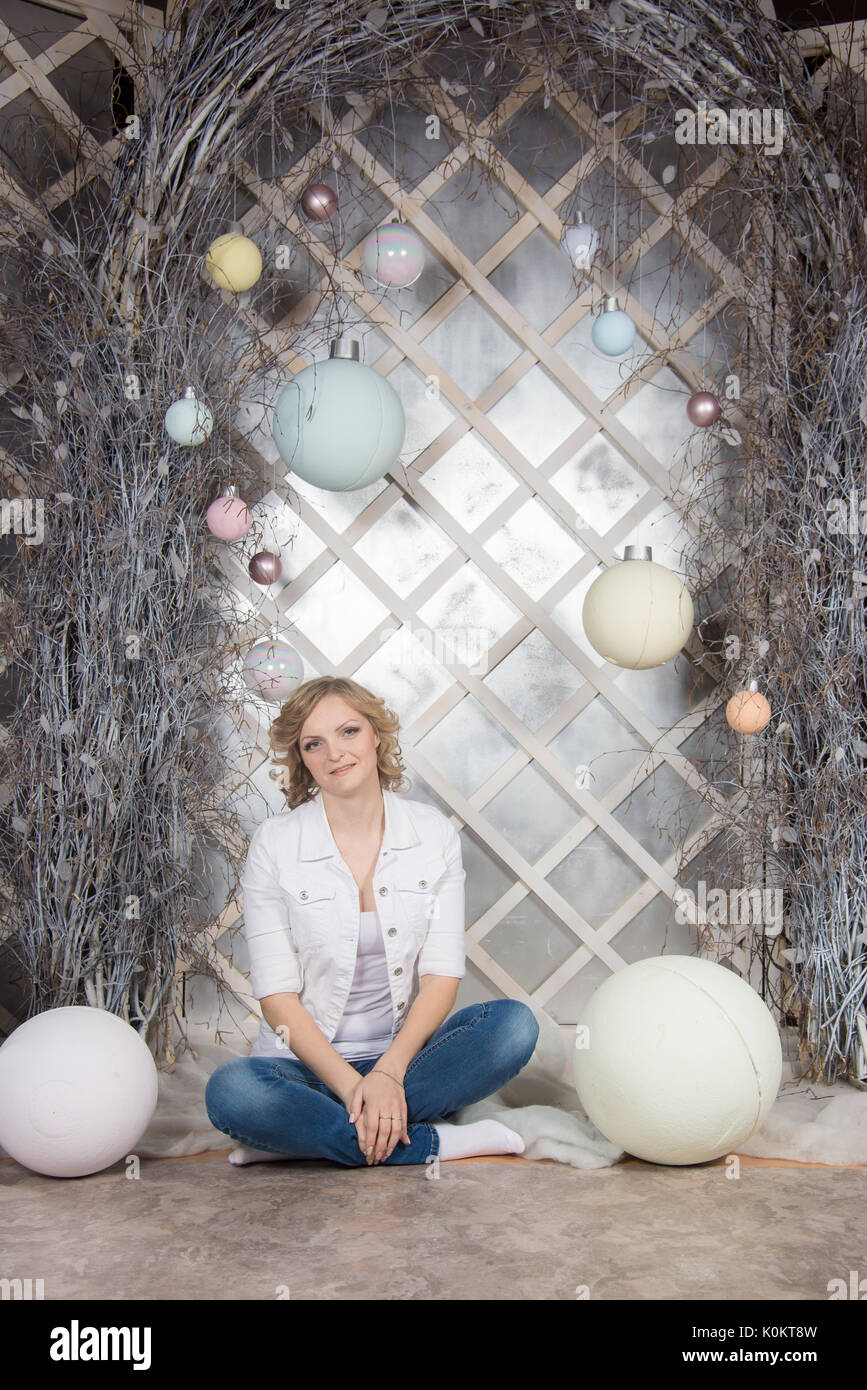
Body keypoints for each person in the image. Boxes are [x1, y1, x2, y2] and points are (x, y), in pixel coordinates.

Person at [205, 675, 539, 1167]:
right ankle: (433, 1143)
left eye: (348, 732)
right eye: (314, 744)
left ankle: (305, 1135)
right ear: (303, 759)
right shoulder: (275, 844)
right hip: (306, 1067)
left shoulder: (432, 834)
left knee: (514, 1026)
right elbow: (276, 999)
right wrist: (352, 1084)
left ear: (375, 735)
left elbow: (441, 978)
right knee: (232, 1091)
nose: (334, 753)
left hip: (404, 1061)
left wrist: (386, 1075)